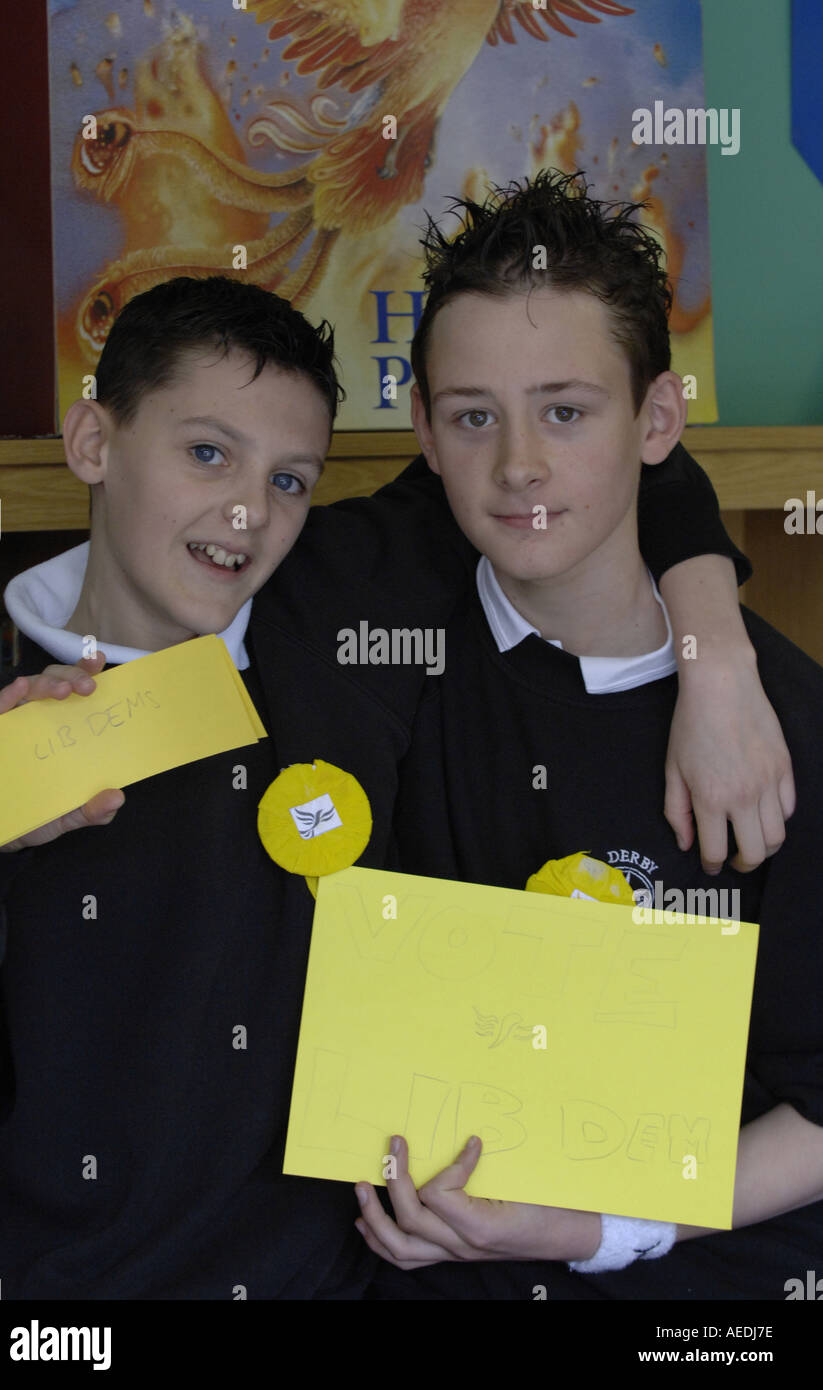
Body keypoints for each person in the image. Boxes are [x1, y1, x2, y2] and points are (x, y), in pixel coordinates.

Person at [0, 266, 793, 1300]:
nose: (245, 510)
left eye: (290, 479)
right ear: (93, 443)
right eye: (205, 451)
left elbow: (616, 457)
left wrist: (715, 655)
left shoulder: (331, 595)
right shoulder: (7, 747)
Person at [352, 172, 823, 1300]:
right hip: (427, 1259)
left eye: (565, 411)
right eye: (474, 416)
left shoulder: (781, 721)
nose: (517, 463)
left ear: (656, 419)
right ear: (422, 427)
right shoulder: (368, 639)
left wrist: (595, 1227)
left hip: (707, 1274)